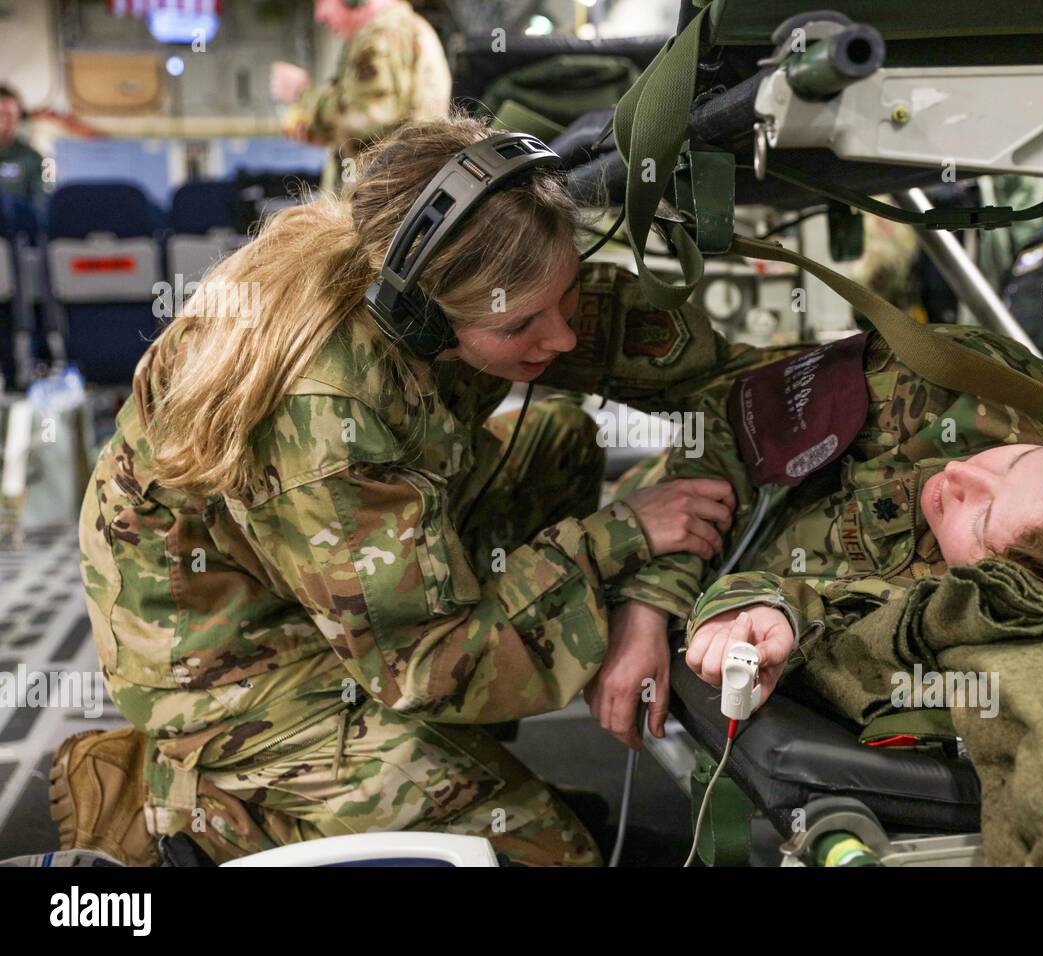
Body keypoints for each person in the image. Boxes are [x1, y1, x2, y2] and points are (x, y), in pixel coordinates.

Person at [57, 113, 748, 867]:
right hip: (232, 654)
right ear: (418, 317)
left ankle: (437, 770)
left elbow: (709, 374)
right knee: (546, 855)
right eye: (522, 326)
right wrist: (623, 536)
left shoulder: (440, 263)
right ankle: (207, 809)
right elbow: (426, 666)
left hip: (322, 568)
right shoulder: (326, 415)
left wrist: (647, 596)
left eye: (569, 293)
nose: (562, 340)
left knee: (558, 443)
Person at [589, 320, 1043, 730]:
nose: (962, 475)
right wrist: (649, 604)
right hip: (675, 503)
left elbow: (833, 613)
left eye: (984, 518)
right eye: (1012, 462)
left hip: (718, 585)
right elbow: (727, 421)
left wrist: (760, 611)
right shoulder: (953, 388)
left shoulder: (968, 611)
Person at [271, 0, 452, 193]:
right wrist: (326, 133)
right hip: (387, 195)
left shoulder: (384, 35)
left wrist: (303, 94)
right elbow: (373, 129)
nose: (319, 16)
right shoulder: (388, 32)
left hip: (385, 199)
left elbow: (365, 119)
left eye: (322, 2)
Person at [0, 85, 45, 209]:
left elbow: (41, 205)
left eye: (10, 115)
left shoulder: (34, 159)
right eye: (0, 114)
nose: (4, 121)